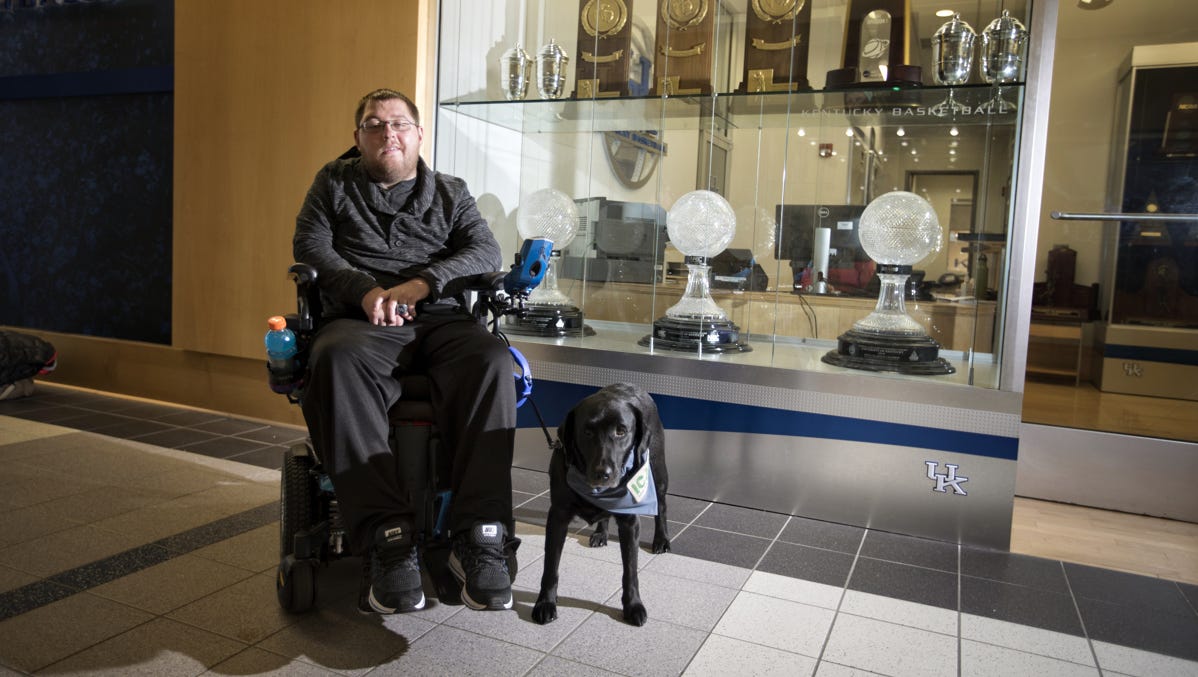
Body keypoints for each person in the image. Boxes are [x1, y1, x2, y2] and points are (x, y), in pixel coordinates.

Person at [294, 88, 517, 613]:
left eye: (398, 124)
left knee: (491, 360)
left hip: (437, 317)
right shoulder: (332, 183)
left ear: (419, 134)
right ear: (358, 139)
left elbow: (485, 249)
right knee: (335, 358)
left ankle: (481, 536)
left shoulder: (451, 192)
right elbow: (311, 248)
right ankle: (386, 538)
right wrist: (365, 291)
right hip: (360, 321)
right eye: (373, 125)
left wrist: (424, 283)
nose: (386, 133)